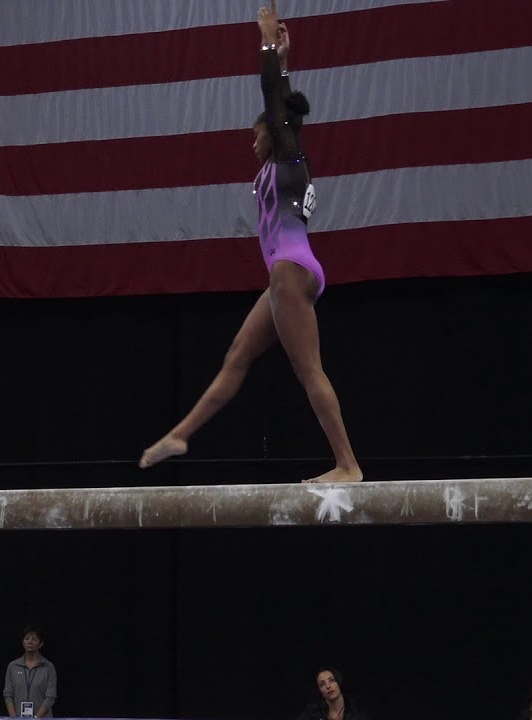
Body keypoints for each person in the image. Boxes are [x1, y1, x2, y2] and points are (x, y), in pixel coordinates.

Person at [139, 1, 363, 485]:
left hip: (290, 270)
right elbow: (279, 97)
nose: (251, 136)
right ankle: (181, 434)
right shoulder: (283, 161)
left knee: (309, 372)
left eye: (257, 130)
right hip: (286, 273)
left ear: (273, 131)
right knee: (237, 356)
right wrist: (283, 60)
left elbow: (273, 101)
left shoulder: (289, 156)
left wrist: (265, 40)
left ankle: (348, 464)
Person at [2, 626, 57, 718]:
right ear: (22, 642)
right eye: (26, 638)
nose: (30, 642)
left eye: (34, 639)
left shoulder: (48, 667)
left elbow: (51, 697)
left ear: (41, 644)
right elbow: (8, 694)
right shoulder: (13, 666)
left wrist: (35, 718)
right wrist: (14, 718)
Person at [295, 667, 370, 720]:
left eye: (331, 680)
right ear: (320, 692)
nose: (328, 686)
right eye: (322, 684)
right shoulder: (313, 712)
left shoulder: (357, 713)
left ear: (339, 683)